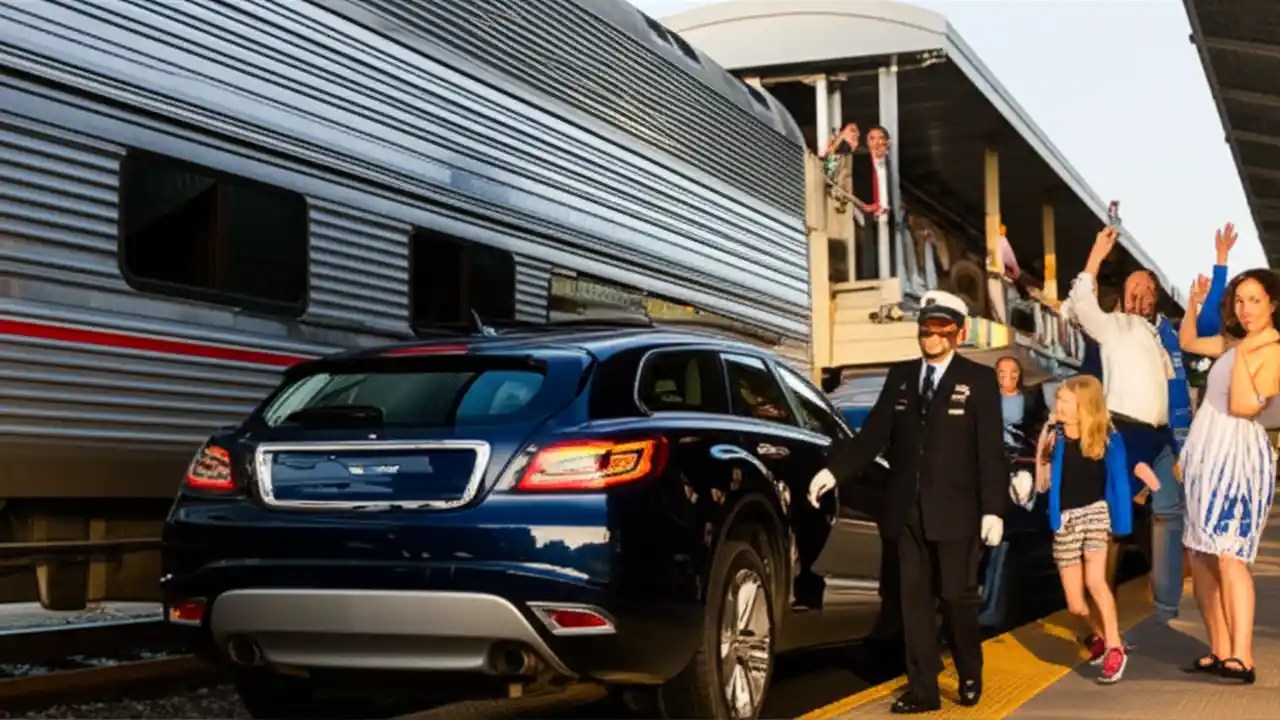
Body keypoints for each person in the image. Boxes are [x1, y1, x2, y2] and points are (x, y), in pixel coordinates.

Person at [808, 289, 1007, 714]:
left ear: (958, 334)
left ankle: (969, 669)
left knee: (955, 598)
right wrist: (834, 472)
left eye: (940, 330)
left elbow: (990, 451)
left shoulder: (978, 380)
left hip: (957, 511)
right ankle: (923, 690)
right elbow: (872, 436)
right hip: (907, 510)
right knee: (913, 604)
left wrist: (993, 509)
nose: (930, 337)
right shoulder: (901, 376)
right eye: (925, 329)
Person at [1067, 225, 1187, 624]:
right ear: (1121, 295)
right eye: (1135, 284)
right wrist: (1096, 256)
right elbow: (1082, 302)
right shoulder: (1111, 326)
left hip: (1160, 438)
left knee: (1169, 514)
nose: (1143, 291)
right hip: (1126, 433)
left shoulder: (1159, 337)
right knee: (1113, 526)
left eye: (1149, 288)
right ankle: (1103, 618)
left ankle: (1166, 607)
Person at [1177, 223, 1280, 684]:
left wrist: (1249, 349)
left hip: (1238, 455)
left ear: (1272, 305)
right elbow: (1188, 342)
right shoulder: (1234, 344)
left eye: (1254, 300)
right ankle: (1219, 649)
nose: (1245, 308)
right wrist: (1194, 304)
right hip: (1207, 451)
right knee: (1201, 553)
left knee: (1229, 555)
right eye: (1239, 300)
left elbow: (1243, 406)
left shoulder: (1272, 350)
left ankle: (1243, 655)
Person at [1035, 375, 1160, 683]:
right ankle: (1101, 636)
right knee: (1076, 605)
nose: (1059, 405)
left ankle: (1115, 648)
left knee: (1095, 581)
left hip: (1095, 514)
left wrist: (1123, 521)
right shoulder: (1055, 435)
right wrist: (1045, 438)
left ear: (1084, 405)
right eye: (1058, 399)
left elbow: (1119, 480)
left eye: (1066, 401)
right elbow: (1042, 478)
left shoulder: (1106, 437)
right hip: (1064, 520)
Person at [996, 355, 1048, 453]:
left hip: (1023, 451)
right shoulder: (987, 397)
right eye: (1002, 372)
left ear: (1020, 374)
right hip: (995, 450)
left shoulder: (1032, 397)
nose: (1009, 376)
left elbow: (1042, 422)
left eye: (1014, 372)